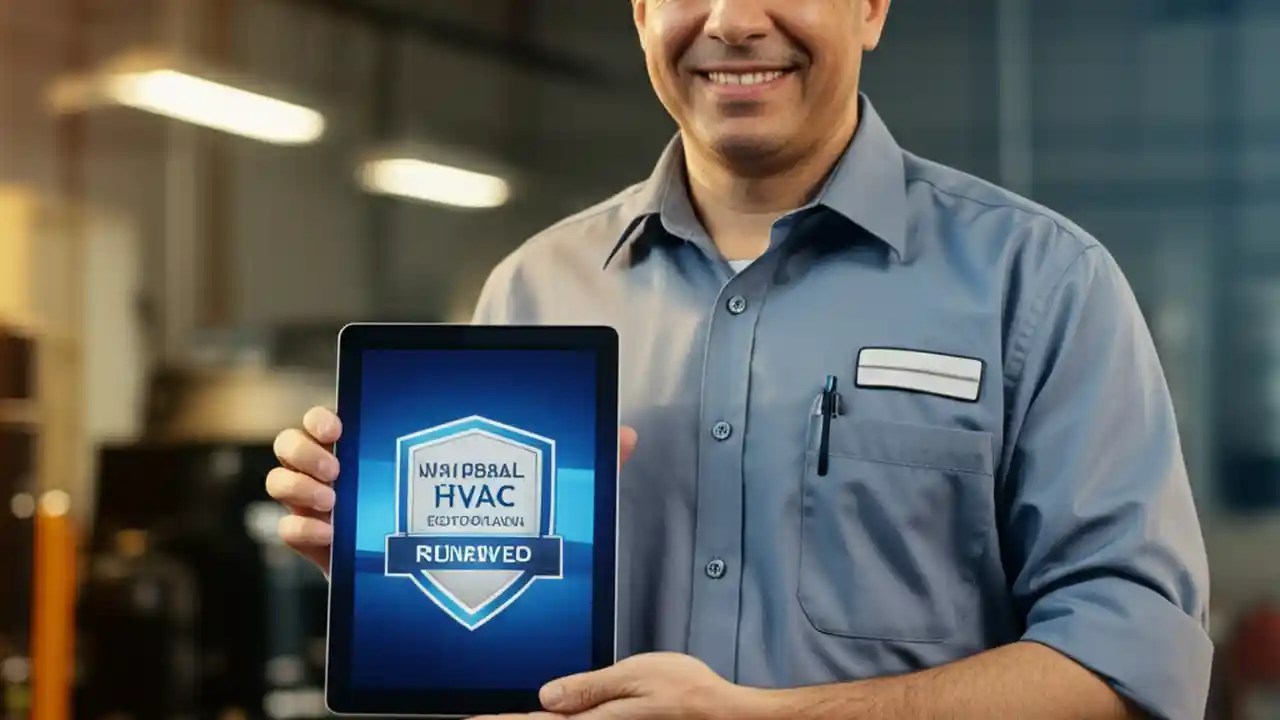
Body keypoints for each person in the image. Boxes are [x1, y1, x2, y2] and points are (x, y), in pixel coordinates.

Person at [267, 1, 1212, 718]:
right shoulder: (535, 291)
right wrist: (390, 582)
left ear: (873, 7)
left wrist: (773, 719)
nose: (732, 22)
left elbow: (1136, 658)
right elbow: (508, 672)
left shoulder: (1039, 282)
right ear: (640, 13)